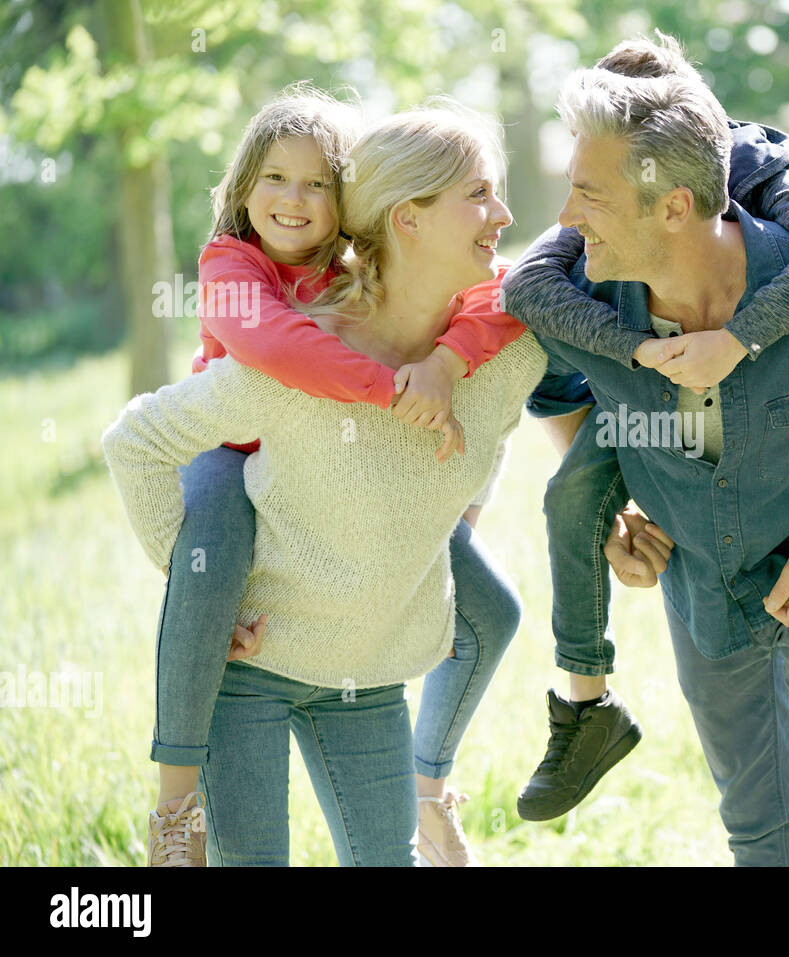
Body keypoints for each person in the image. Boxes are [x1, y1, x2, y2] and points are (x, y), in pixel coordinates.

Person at [502, 34, 789, 826]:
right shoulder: (582, 286)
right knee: (756, 825)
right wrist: (615, 498)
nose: (567, 217)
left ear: (676, 198)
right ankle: (586, 703)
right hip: (703, 588)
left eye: (592, 191)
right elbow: (543, 349)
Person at [103, 102, 547, 866]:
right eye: (479, 194)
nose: (294, 198)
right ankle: (175, 810)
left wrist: (441, 374)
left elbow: (527, 296)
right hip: (231, 502)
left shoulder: (476, 335)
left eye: (316, 184)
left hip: (366, 673)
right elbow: (153, 426)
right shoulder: (257, 297)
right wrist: (387, 389)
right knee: (205, 571)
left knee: (492, 611)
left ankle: (431, 791)